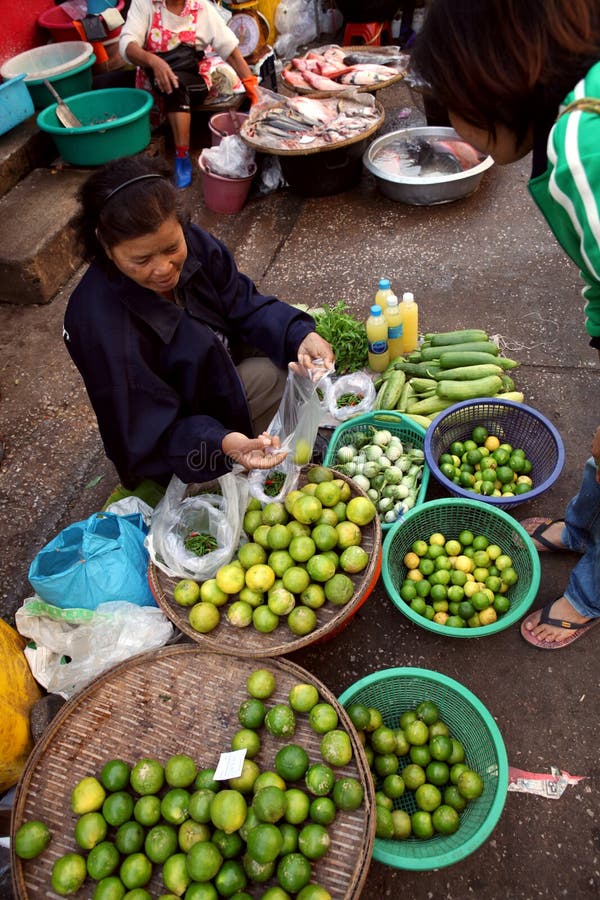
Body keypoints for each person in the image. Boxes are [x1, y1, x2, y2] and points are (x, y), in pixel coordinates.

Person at [411, 0, 600, 649]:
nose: (455, 130)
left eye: (452, 105)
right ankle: (579, 532)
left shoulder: (581, 150)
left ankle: (589, 594)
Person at [63, 154, 334, 491]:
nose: (163, 269)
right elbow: (152, 432)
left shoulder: (193, 244)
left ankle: (251, 444)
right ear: (106, 246)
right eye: (142, 259)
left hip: (215, 381)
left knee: (288, 371)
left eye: (171, 247)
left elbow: (242, 301)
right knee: (215, 485)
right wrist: (221, 443)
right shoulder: (101, 327)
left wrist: (299, 334)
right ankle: (218, 471)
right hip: (174, 443)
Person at [119, 0, 261, 188]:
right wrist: (153, 61)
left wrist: (252, 87)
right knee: (111, 82)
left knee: (175, 85)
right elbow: (127, 44)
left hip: (192, 79)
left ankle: (182, 158)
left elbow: (230, 51)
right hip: (152, 80)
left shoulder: (201, 7)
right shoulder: (145, 4)